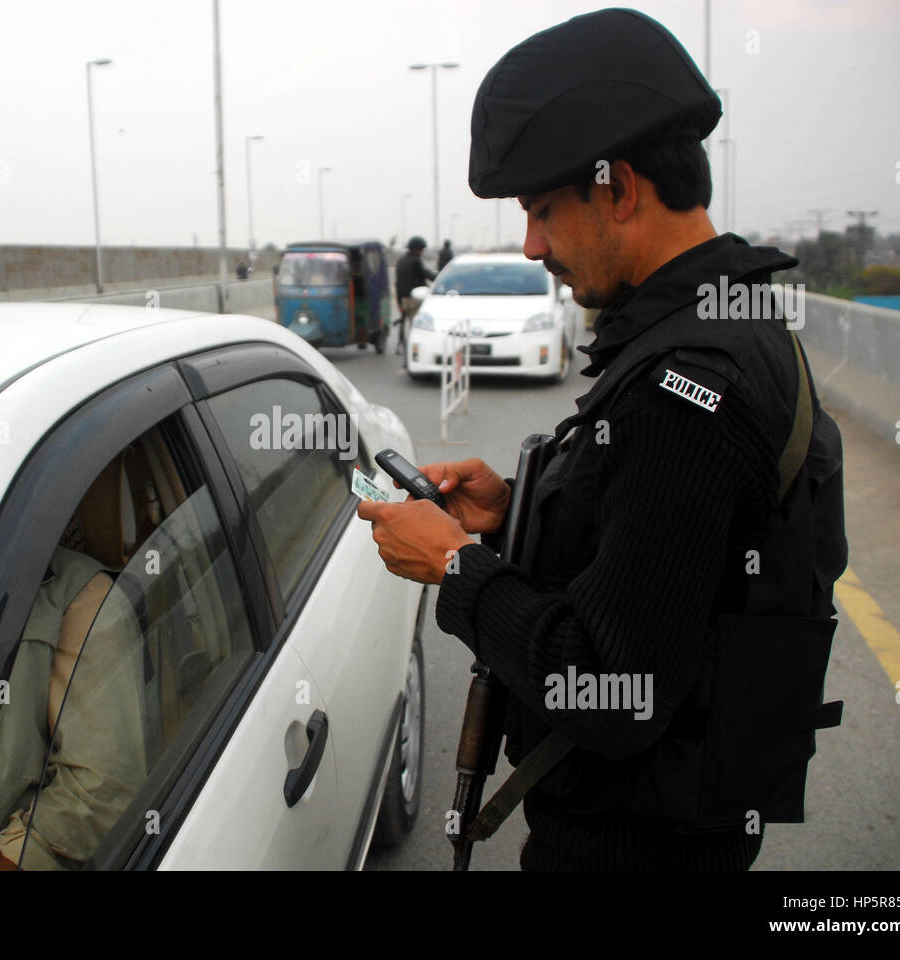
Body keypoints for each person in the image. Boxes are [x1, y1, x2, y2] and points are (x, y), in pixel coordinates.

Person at [357, 7, 847, 870]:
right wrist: (515, 517)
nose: (533, 245)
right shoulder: (730, 323)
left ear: (617, 187)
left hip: (630, 845)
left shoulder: (683, 390)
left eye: (543, 211)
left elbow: (614, 692)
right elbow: (667, 558)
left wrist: (455, 567)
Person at [395, 236, 435, 355]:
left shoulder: (401, 260)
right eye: (421, 249)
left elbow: (397, 283)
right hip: (415, 299)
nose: (422, 252)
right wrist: (438, 278)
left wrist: (398, 301)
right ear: (416, 249)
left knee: (406, 325)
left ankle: (403, 346)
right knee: (418, 328)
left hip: (404, 299)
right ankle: (416, 351)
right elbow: (425, 274)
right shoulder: (415, 260)